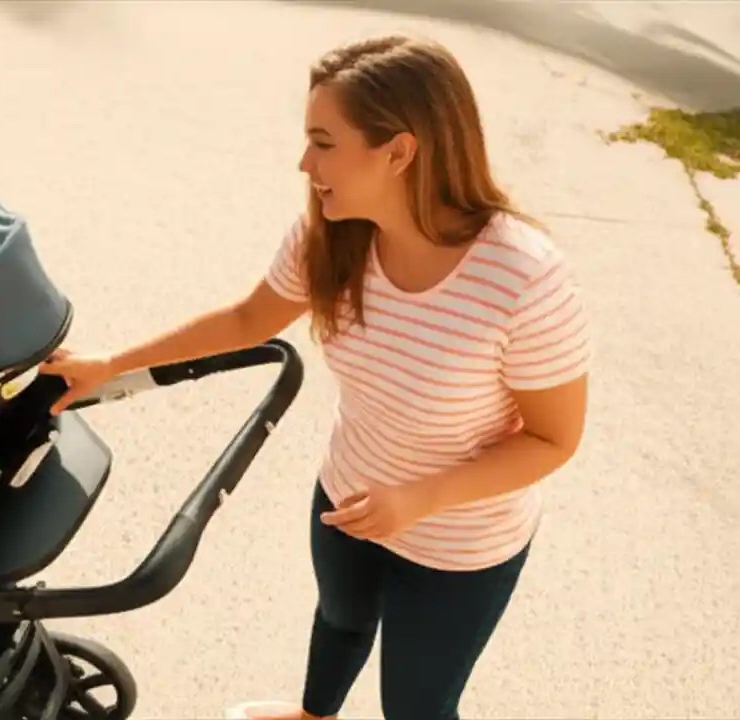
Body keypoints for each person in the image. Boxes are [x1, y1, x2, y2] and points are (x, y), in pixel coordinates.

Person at [39, 34, 591, 720]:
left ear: (399, 151)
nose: (305, 162)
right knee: (341, 618)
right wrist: (111, 365)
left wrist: (422, 498)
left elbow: (553, 439)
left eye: (324, 142)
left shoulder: (523, 278)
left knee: (418, 707)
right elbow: (248, 319)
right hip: (348, 492)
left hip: (461, 545)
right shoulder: (331, 235)